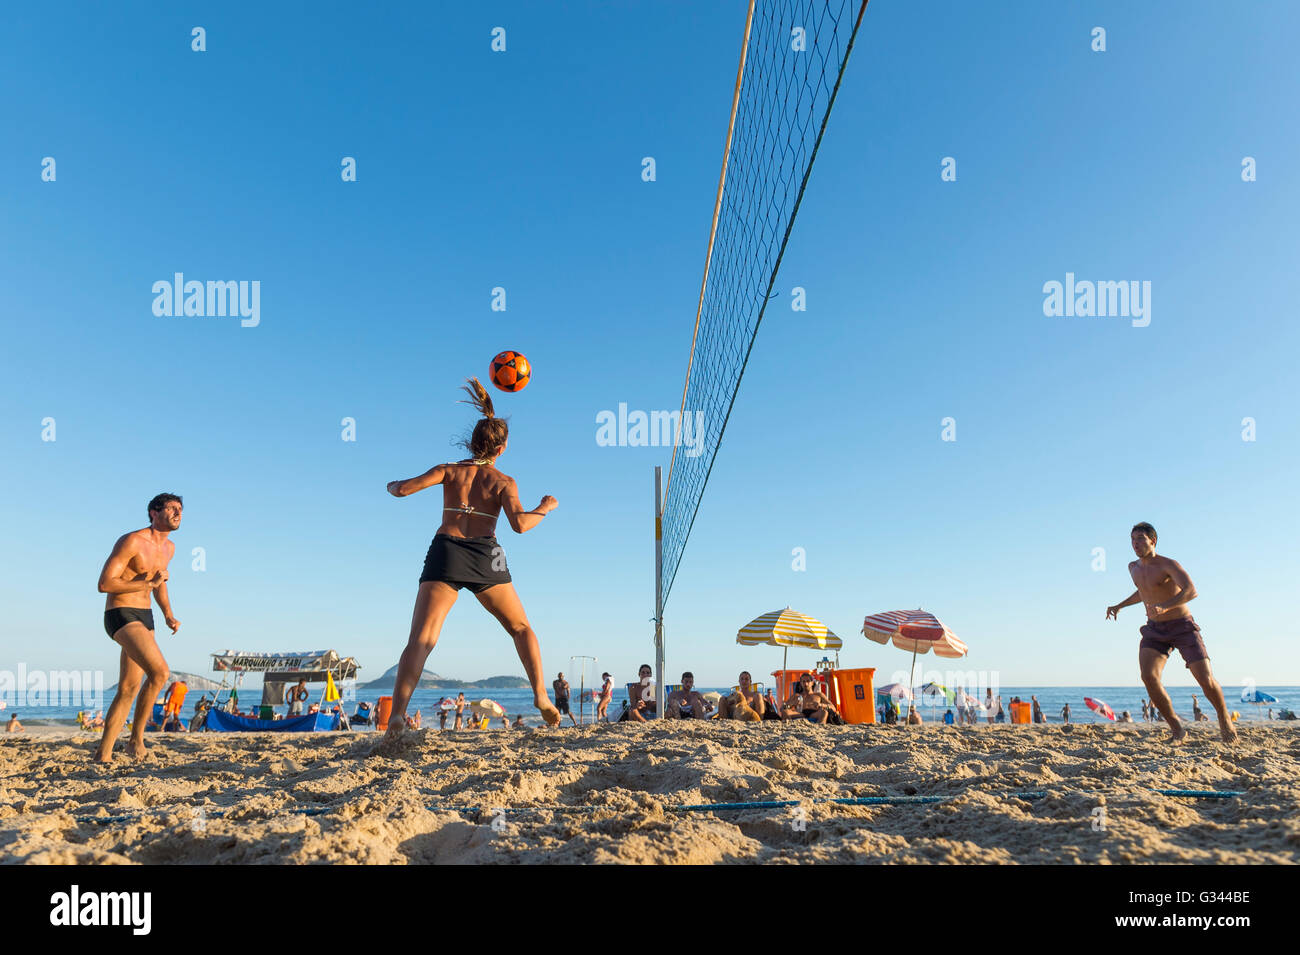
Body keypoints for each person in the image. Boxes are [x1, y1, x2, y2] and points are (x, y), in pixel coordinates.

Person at [383, 379, 563, 739]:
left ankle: (398, 715)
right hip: (486, 555)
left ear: (472, 441)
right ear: (502, 447)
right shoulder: (502, 480)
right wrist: (546, 506)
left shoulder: (450, 470)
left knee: (421, 639)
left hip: (447, 550)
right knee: (521, 628)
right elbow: (521, 526)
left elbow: (402, 489)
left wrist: (392, 485)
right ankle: (541, 694)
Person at [1107, 522, 1236, 744]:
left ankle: (1224, 717)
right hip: (1155, 630)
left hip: (1182, 626)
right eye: (1132, 539)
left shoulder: (1168, 564)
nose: (1135, 544)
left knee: (1205, 679)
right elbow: (1144, 591)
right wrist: (1120, 605)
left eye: (1140, 539)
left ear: (1152, 541)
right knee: (1149, 677)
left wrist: (1165, 606)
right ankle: (1177, 730)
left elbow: (1191, 591)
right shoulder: (1133, 567)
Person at [94, 493, 184, 763]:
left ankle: (103, 755)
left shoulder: (170, 548)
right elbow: (105, 584)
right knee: (160, 673)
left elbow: (160, 582)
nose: (178, 513)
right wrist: (146, 585)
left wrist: (168, 614)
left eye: (181, 509)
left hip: (145, 616)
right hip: (120, 613)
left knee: (128, 688)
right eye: (172, 508)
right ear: (154, 513)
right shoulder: (132, 540)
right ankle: (136, 741)